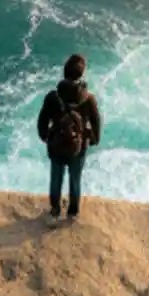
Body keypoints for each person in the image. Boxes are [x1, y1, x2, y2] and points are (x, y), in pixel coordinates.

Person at [37, 53, 102, 222]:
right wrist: (94, 139)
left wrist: (45, 136)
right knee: (75, 180)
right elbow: (96, 121)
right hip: (78, 148)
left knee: (56, 180)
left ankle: (55, 212)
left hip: (56, 146)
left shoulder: (53, 97)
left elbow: (42, 119)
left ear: (64, 73)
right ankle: (73, 213)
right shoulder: (89, 99)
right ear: (81, 75)